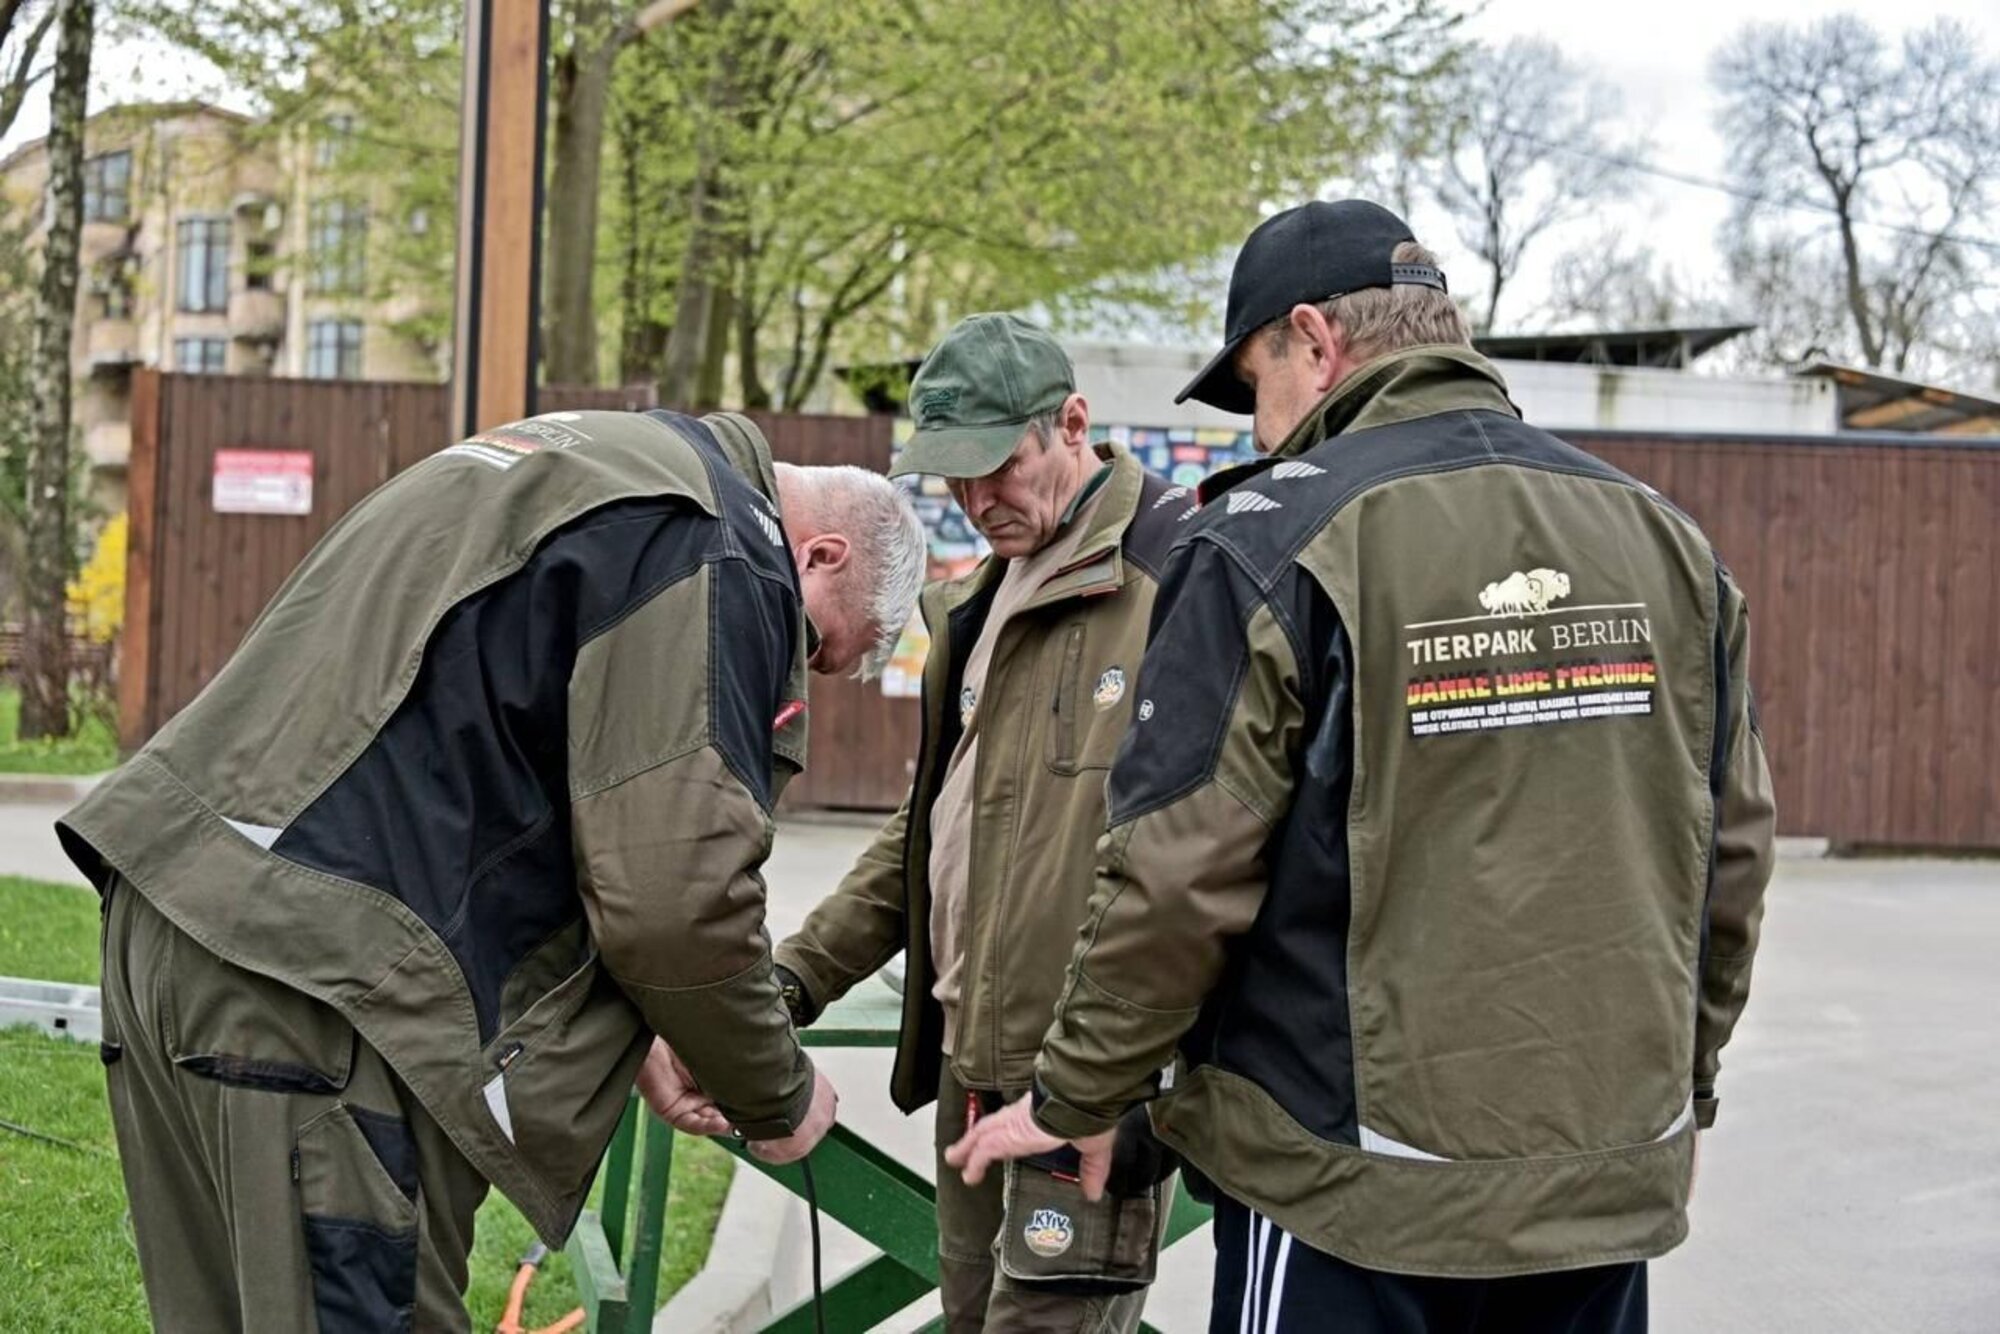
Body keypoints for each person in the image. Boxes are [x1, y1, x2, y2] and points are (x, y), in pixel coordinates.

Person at [947, 200, 1777, 1333]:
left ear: (1313, 339)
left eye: (1254, 385)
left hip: (1344, 1193)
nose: (1261, 428)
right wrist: (1682, 1094)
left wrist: (1078, 1092)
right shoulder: (1664, 539)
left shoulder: (1266, 539)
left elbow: (1173, 875)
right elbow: (1729, 859)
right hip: (1601, 1184)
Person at [56, 407, 927, 1332]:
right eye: (818, 648)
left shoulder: (588, 460)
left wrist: (651, 1032)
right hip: (316, 1001)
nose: (802, 672)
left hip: (176, 911)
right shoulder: (722, 548)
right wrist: (774, 1091)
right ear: (820, 556)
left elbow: (501, 756)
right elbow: (675, 898)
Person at [651, 313, 1183, 1332]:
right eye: (954, 477)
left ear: (1072, 424)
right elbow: (924, 837)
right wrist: (791, 983)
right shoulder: (978, 603)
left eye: (999, 466)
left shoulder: (1175, 573)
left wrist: (1119, 1080)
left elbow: (1202, 857)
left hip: (1085, 1091)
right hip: (970, 1076)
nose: (976, 502)